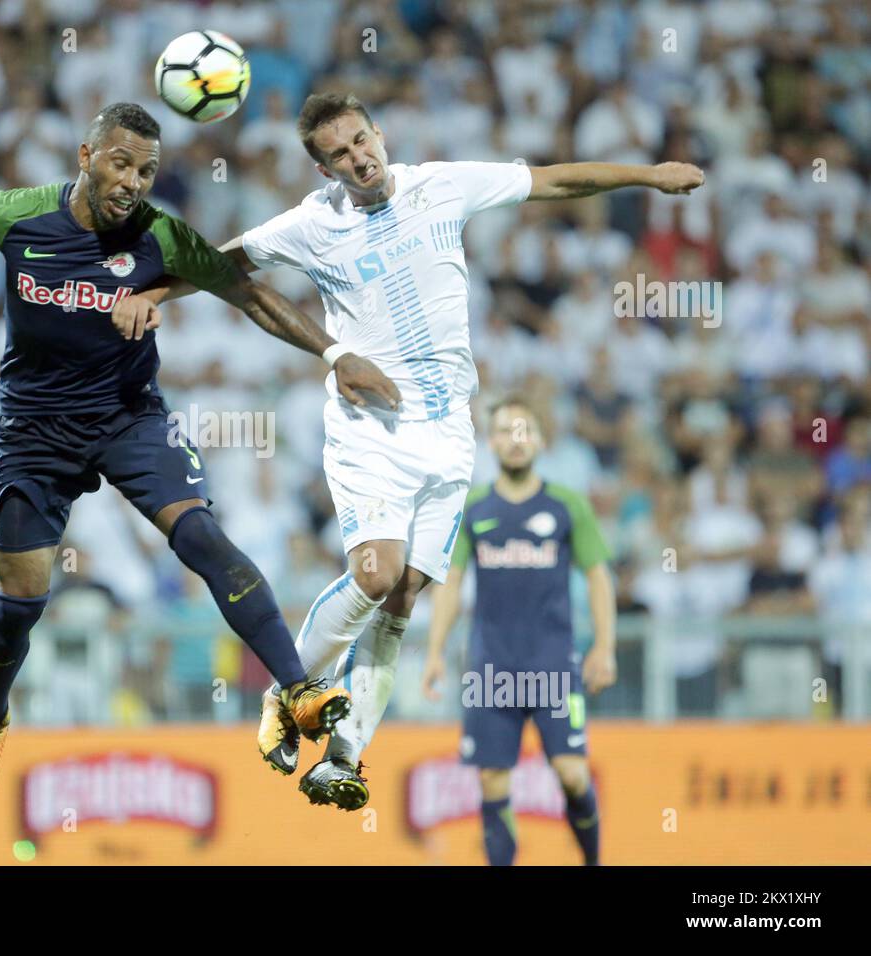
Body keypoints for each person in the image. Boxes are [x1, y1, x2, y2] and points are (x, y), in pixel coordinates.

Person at [0, 102, 401, 813]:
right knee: (21, 600)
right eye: (121, 164)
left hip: (130, 417)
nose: (132, 182)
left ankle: (298, 687)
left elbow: (247, 293)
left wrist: (334, 355)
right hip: (34, 431)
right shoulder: (19, 214)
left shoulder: (160, 236)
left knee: (202, 536)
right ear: (87, 158)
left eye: (147, 171)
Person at [113, 91, 701, 808]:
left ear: (380, 133)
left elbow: (551, 181)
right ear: (323, 169)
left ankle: (344, 757)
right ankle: (286, 695)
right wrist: (153, 295)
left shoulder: (440, 186)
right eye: (339, 155)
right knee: (375, 573)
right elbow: (222, 262)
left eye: (362, 140)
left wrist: (648, 176)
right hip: (372, 429)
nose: (358, 159)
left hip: (450, 431)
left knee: (403, 597)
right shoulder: (312, 224)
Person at [423, 397, 617, 865]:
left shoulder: (567, 505)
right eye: (505, 431)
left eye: (524, 430)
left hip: (554, 665)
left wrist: (604, 647)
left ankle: (593, 860)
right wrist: (435, 651)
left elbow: (598, 575)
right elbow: (451, 581)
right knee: (492, 780)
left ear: (541, 441)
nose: (515, 440)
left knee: (572, 774)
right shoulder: (473, 508)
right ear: (490, 443)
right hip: (491, 666)